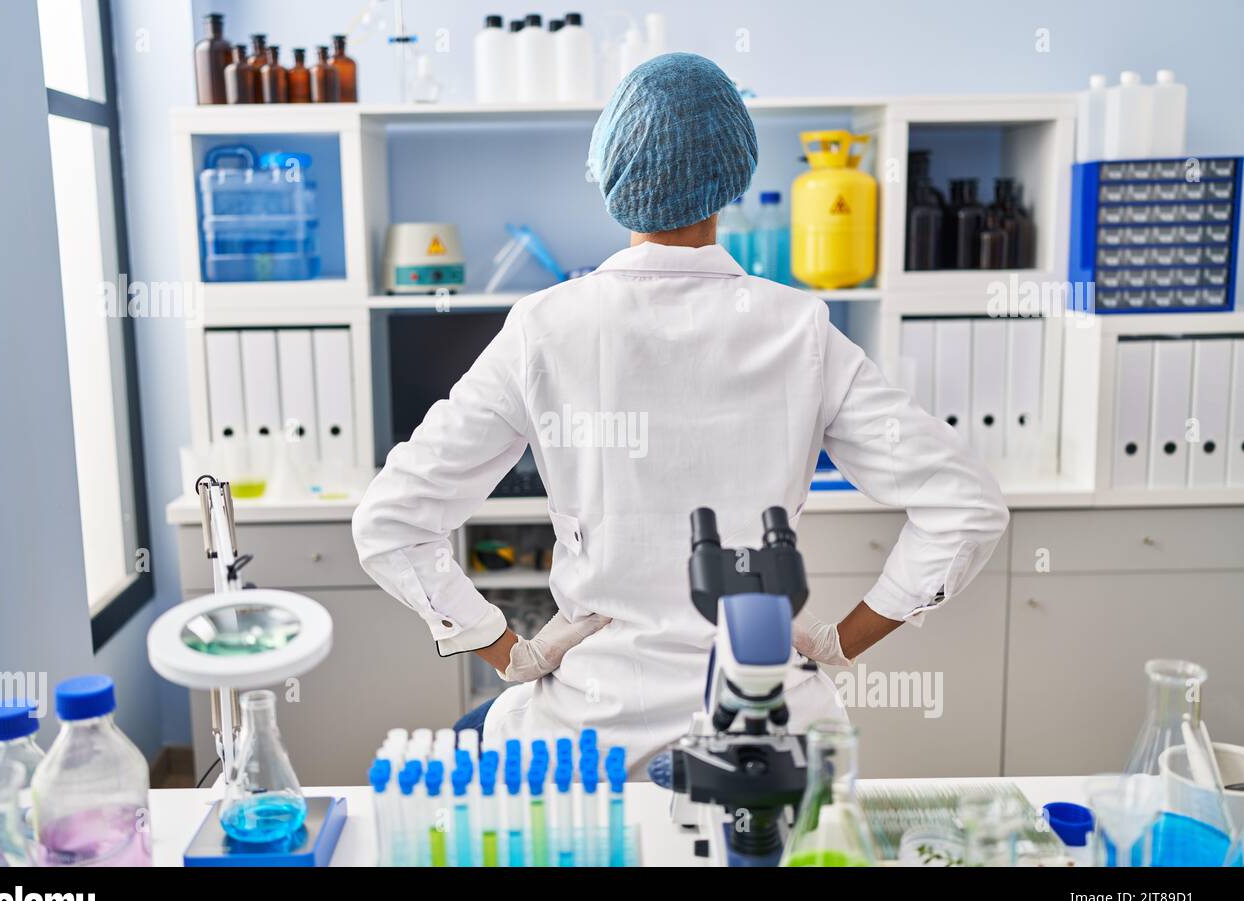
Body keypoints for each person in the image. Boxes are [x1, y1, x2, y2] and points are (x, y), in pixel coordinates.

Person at [353, 52, 1008, 775]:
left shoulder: (545, 326)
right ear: (734, 171)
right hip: (770, 739)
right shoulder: (800, 327)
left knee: (476, 739)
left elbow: (391, 523)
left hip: (591, 738)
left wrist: (509, 650)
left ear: (611, 171)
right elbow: (967, 508)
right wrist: (840, 642)